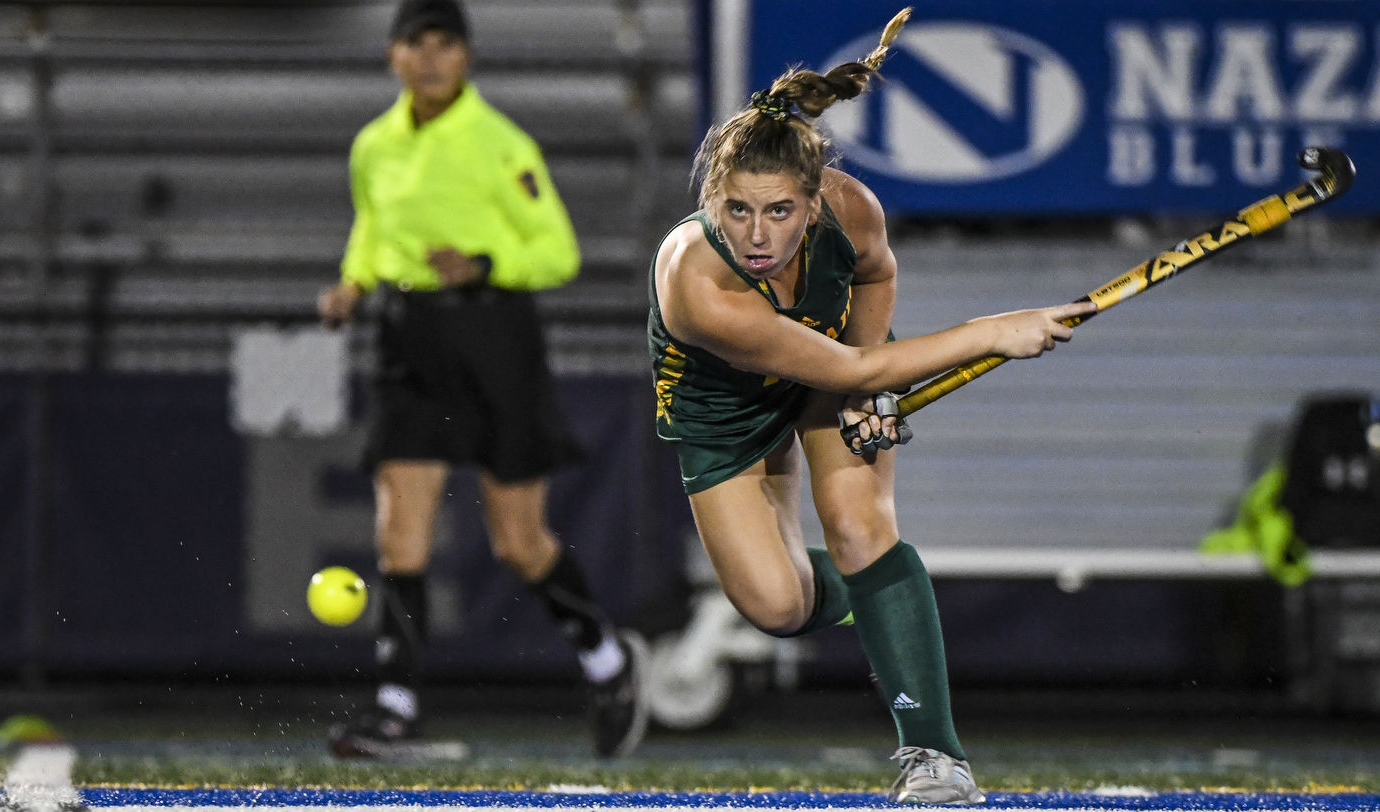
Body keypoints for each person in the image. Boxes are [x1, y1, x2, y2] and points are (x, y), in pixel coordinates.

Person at [649, 7, 1095, 804]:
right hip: (724, 408)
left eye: (780, 211)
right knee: (776, 606)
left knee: (860, 528)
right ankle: (888, 596)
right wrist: (990, 332)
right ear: (713, 198)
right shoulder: (699, 284)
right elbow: (854, 364)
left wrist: (870, 391)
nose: (757, 236)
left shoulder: (852, 210)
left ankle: (936, 757)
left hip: (830, 358)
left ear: (813, 201)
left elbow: (875, 280)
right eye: (737, 210)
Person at [318, 0, 647, 760]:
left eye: (446, 44)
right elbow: (371, 226)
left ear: (466, 56)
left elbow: (558, 252)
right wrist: (353, 284)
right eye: (417, 44)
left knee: (519, 541)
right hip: (408, 340)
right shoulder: (373, 145)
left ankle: (606, 659)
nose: (432, 59)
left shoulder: (501, 143)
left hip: (494, 337)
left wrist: (485, 265)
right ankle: (396, 709)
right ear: (394, 57)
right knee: (399, 532)